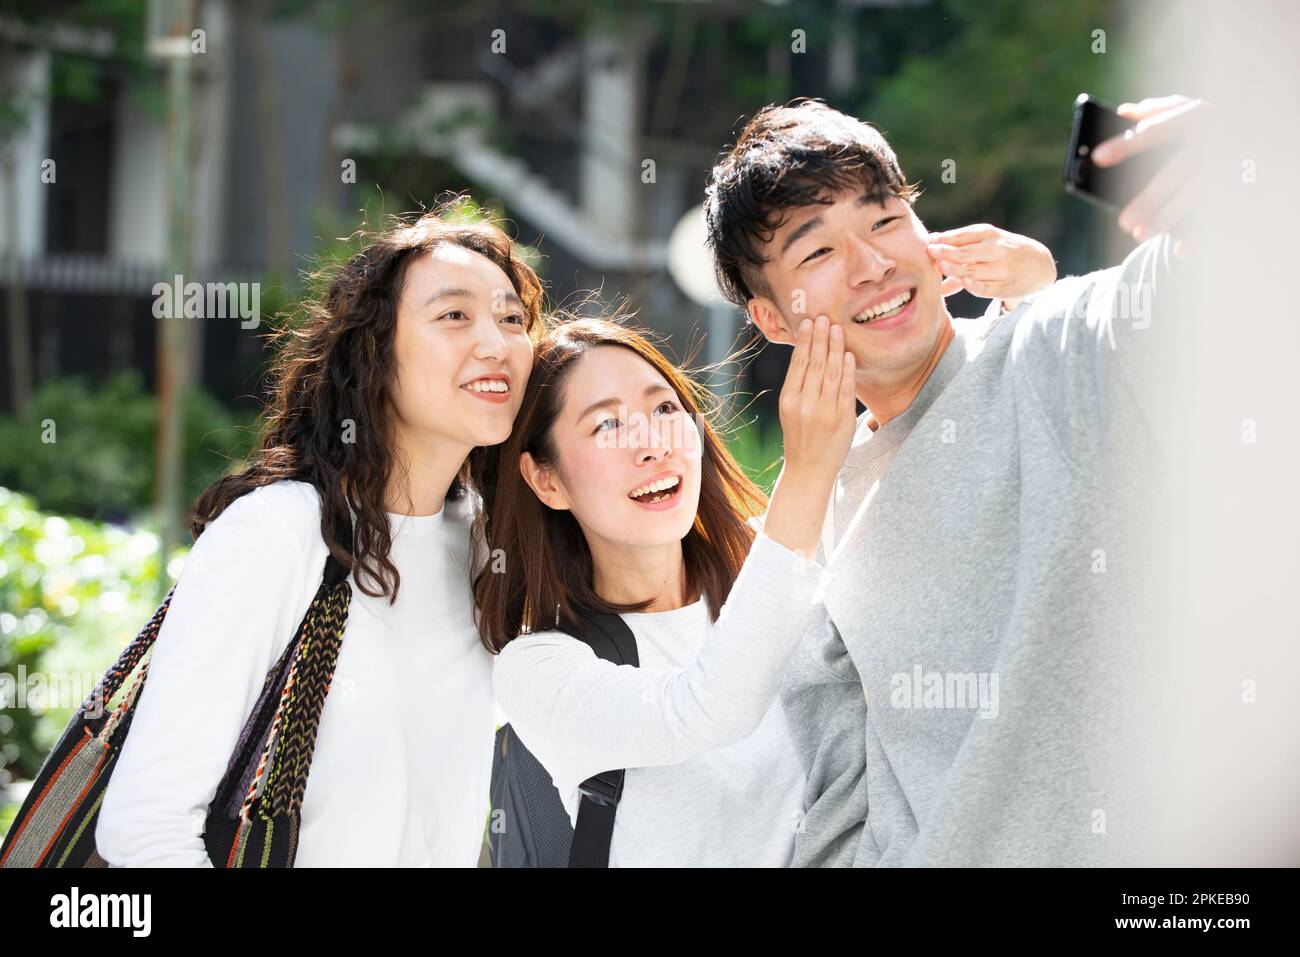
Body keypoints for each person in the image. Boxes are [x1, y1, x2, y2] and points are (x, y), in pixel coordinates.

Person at [483, 193, 1058, 864]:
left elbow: (958, 464)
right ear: (546, 478)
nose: (651, 443)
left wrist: (1035, 294)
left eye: (664, 407)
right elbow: (709, 708)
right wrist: (807, 472)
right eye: (606, 423)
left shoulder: (782, 567)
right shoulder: (539, 670)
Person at [703, 97, 1196, 865]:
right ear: (773, 318)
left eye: (884, 219)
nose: (873, 265)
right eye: (817, 253)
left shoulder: (1050, 348)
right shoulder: (807, 523)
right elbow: (833, 796)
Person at [95, 203, 545, 866]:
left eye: (512, 319)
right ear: (374, 350)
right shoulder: (278, 534)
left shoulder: (488, 548)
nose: (496, 342)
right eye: (454, 315)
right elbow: (145, 825)